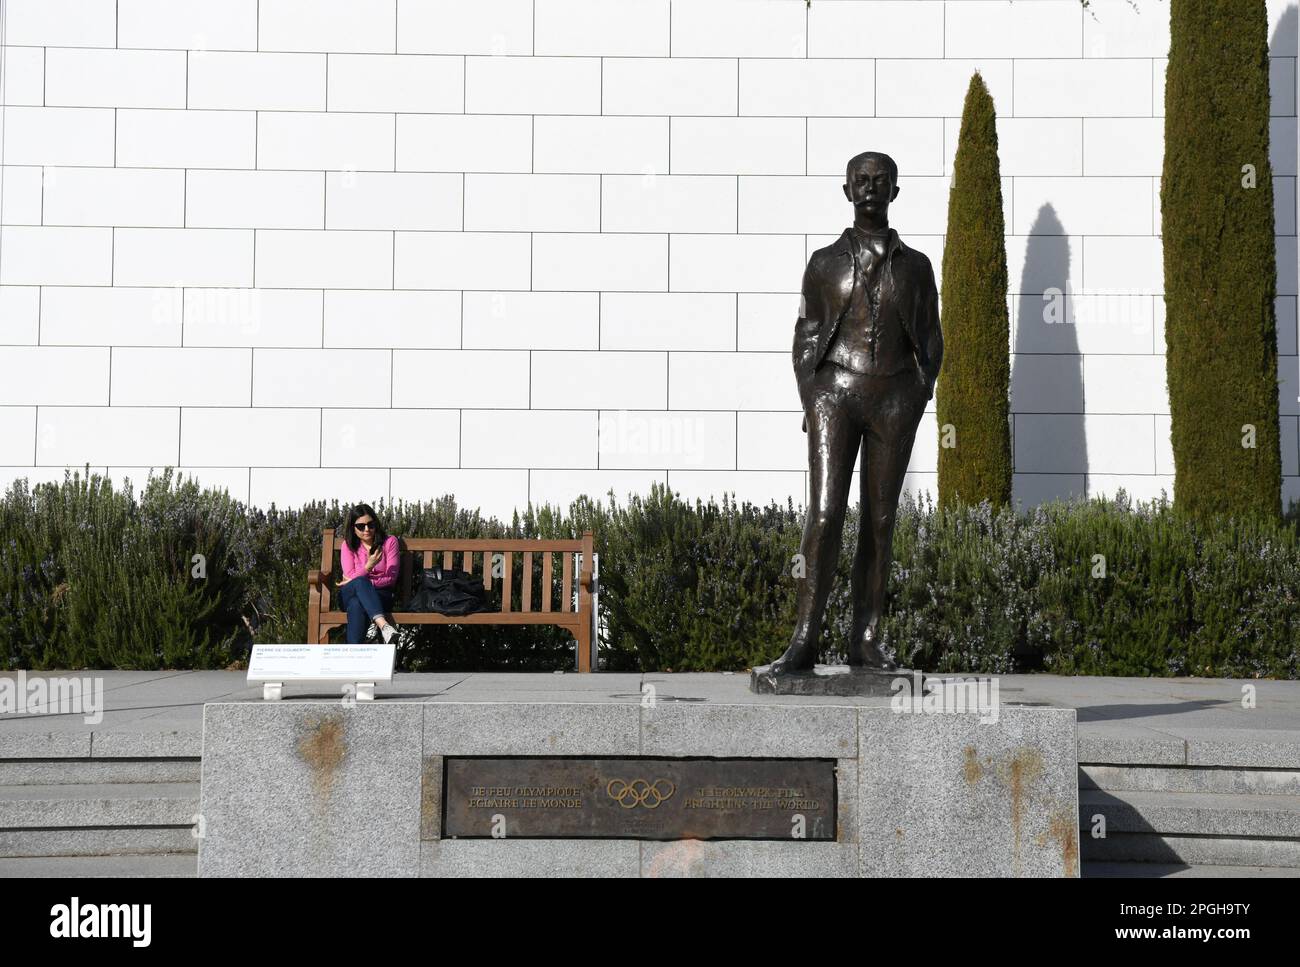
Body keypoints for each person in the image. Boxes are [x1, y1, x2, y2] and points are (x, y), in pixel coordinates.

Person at [337, 503, 400, 644]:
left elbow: (391, 578)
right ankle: (384, 626)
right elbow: (349, 574)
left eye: (370, 525)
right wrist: (368, 567)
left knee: (356, 603)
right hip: (348, 594)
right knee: (359, 584)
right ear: (353, 528)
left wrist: (364, 582)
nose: (366, 529)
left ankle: (353, 656)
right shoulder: (347, 545)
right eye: (361, 526)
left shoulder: (389, 542)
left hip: (380, 595)